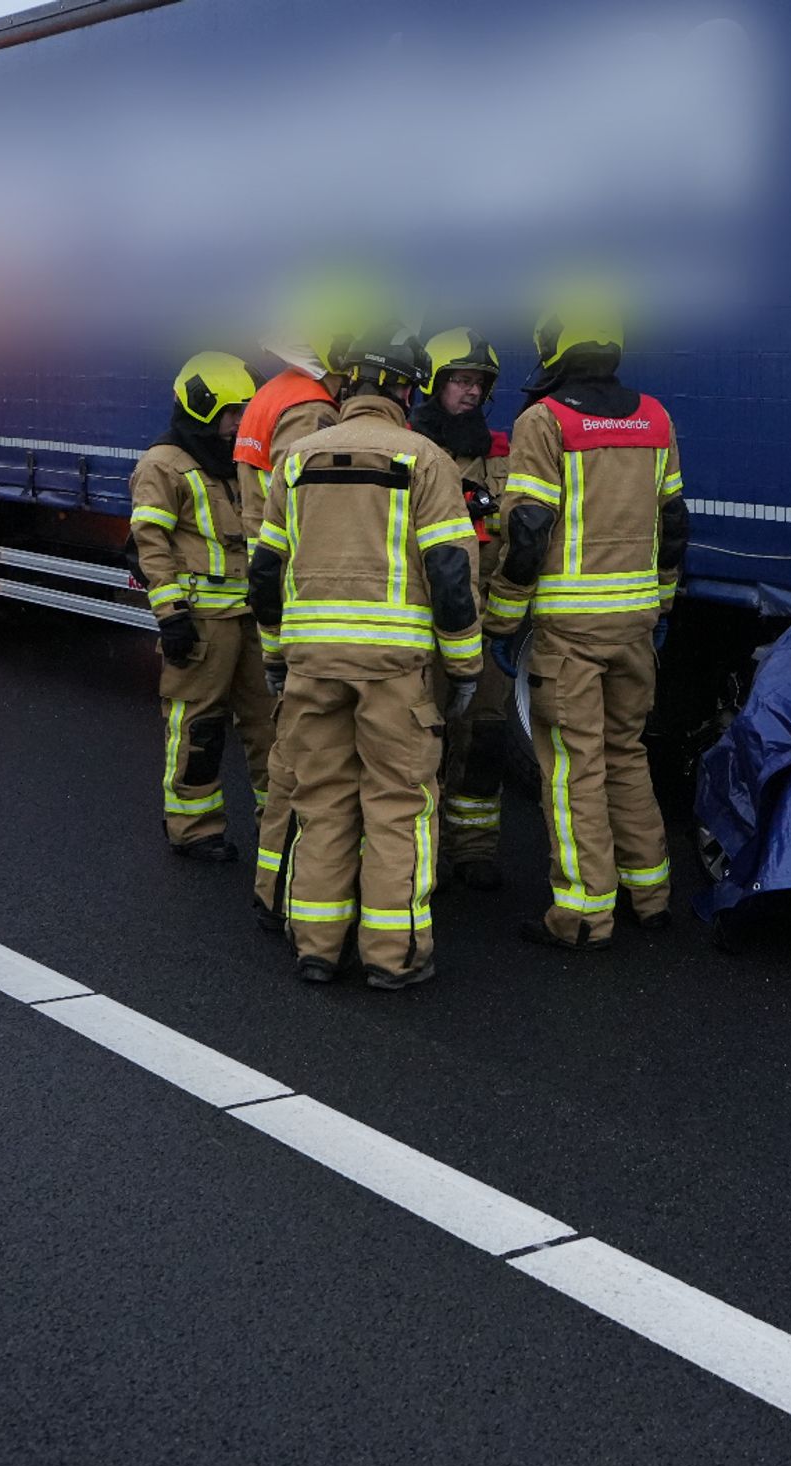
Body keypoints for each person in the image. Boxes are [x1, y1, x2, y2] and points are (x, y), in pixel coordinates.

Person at [247, 327, 482, 990]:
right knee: (398, 807)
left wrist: (274, 657)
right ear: (406, 389)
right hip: (394, 669)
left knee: (320, 800)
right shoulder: (426, 459)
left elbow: (265, 573)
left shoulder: (295, 460)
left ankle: (316, 947)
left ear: (347, 385)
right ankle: (392, 956)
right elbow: (450, 576)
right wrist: (463, 668)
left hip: (311, 664)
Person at [483, 308, 689, 948]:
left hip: (570, 628)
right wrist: (659, 607)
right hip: (633, 623)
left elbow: (526, 533)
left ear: (555, 345)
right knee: (628, 753)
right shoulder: (654, 417)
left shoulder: (545, 421)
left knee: (574, 768)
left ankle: (581, 915)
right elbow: (674, 525)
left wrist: (503, 617)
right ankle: (649, 895)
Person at [128, 352, 273, 860]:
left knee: (271, 724)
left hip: (252, 619)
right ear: (201, 407)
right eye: (231, 412)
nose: (239, 423)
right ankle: (194, 829)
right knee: (200, 729)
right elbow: (150, 545)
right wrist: (171, 617)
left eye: (245, 411)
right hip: (202, 624)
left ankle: (280, 828)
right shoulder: (163, 465)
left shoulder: (239, 462)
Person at [235, 334, 346, 929]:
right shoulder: (311, 409)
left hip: (275, 592)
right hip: (303, 597)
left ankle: (271, 887)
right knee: (309, 763)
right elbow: (315, 512)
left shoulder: (274, 392)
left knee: (288, 757)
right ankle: (297, 896)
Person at [412, 328, 511, 891]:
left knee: (484, 739)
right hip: (420, 624)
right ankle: (416, 857)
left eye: (479, 384)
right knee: (420, 741)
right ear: (433, 383)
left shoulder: (503, 453)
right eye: (460, 381)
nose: (471, 393)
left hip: (486, 620)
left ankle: (473, 849)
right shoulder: (406, 449)